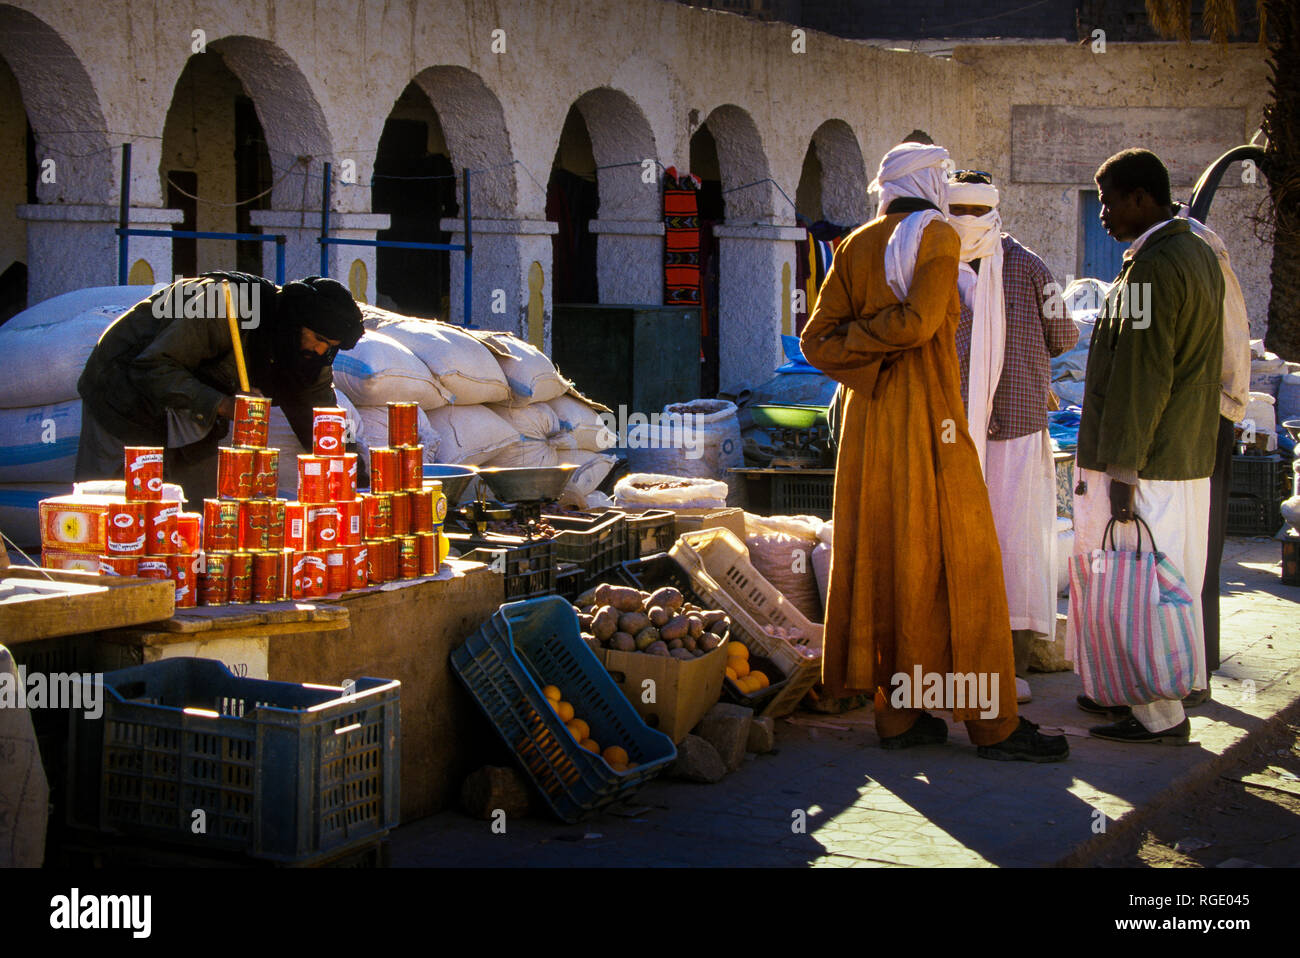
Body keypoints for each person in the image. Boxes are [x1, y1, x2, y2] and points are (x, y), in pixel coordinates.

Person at [800, 142, 1068, 762]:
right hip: (931, 414)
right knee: (964, 557)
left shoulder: (857, 243)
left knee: (893, 552)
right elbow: (920, 324)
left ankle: (900, 719)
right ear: (931, 183)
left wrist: (862, 350)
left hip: (870, 416)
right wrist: (891, 343)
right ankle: (993, 726)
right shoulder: (940, 238)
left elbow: (820, 341)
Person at [1069, 149, 1224, 744]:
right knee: (1168, 582)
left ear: (1140, 199)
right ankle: (1137, 696)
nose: (1103, 215)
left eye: (1108, 202)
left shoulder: (1156, 268)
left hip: (1149, 462)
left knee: (1143, 585)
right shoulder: (1194, 251)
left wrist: (1124, 473)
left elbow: (1143, 375)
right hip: (1182, 455)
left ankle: (1158, 714)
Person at [947, 170, 1078, 705]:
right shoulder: (1029, 265)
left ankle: (962, 664)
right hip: (1017, 429)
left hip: (953, 431)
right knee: (1017, 545)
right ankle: (1010, 671)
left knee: (960, 543)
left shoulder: (929, 263)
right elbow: (1064, 335)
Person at [75, 271, 364, 503]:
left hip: (194, 407)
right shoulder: (223, 304)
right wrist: (224, 405)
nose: (318, 350)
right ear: (294, 322)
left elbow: (319, 410)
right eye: (317, 338)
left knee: (196, 511)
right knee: (116, 507)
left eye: (330, 346)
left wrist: (352, 467)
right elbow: (152, 367)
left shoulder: (311, 353)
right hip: (123, 391)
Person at [1174, 202, 1252, 703]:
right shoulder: (1199, 246)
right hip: (1212, 409)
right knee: (1198, 550)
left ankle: (1192, 673)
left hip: (1205, 414)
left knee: (1194, 550)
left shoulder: (1187, 251)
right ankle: (1193, 670)